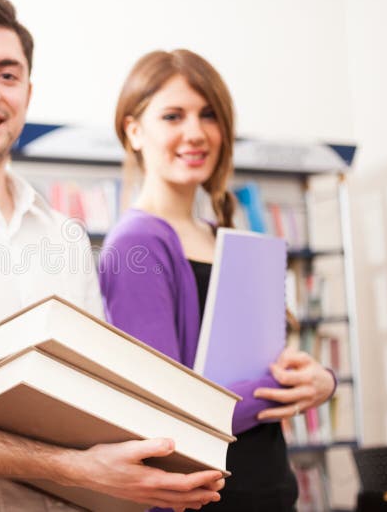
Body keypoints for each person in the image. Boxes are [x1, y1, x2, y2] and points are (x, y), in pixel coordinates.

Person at [0, 0, 225, 511]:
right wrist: (74, 466)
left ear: (28, 91)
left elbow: (97, 393)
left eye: (7, 74)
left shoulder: (65, 235)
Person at [100, 49, 337, 511]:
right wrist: (292, 389)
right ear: (134, 131)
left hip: (267, 491)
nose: (196, 132)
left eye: (209, 115)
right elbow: (168, 411)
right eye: (173, 116)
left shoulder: (223, 236)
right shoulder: (136, 246)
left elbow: (255, 366)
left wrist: (317, 378)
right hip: (203, 501)